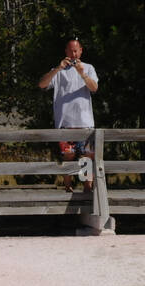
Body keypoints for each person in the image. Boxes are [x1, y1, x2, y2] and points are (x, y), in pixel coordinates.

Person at [38, 38, 99, 191]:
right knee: (68, 155)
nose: (73, 54)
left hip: (85, 123)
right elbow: (42, 84)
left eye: (76, 51)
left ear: (81, 51)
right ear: (65, 52)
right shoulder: (58, 71)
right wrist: (58, 68)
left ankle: (87, 187)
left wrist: (82, 74)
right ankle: (68, 186)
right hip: (65, 123)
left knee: (87, 157)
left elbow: (94, 88)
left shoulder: (88, 68)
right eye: (70, 51)